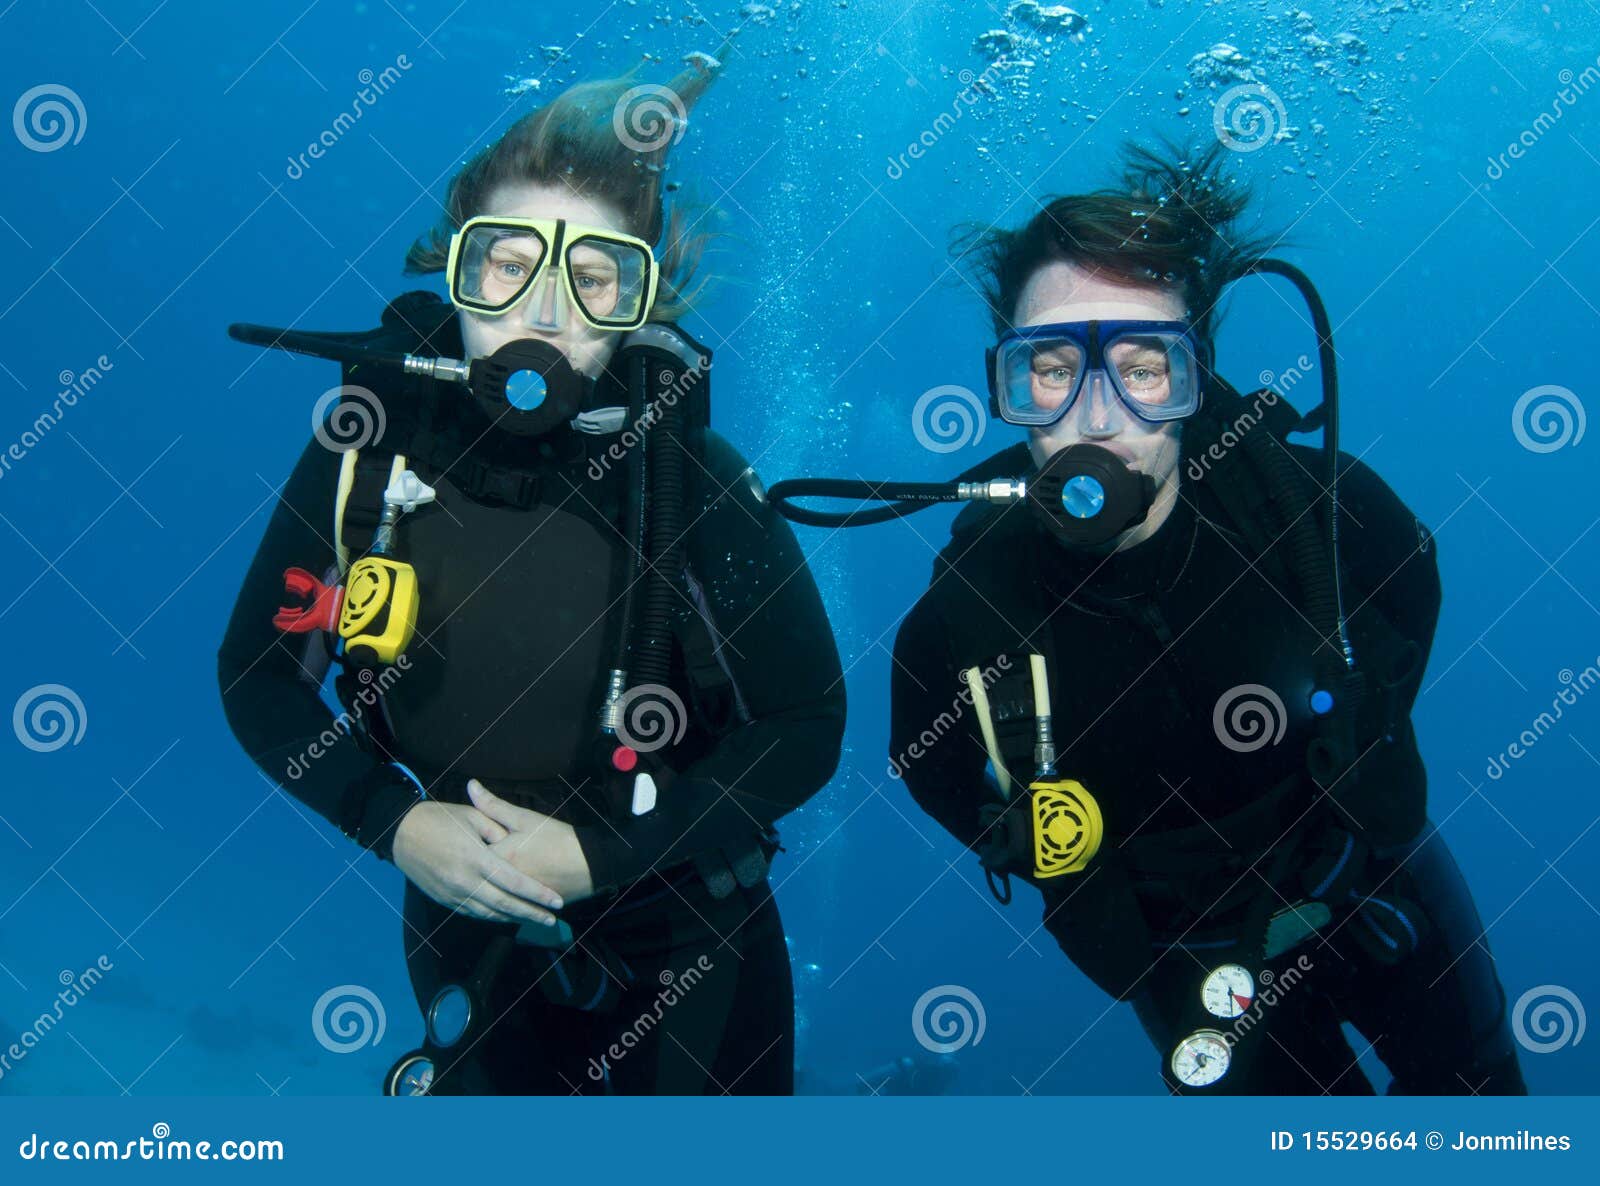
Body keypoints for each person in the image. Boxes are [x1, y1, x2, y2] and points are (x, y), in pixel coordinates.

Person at [218, 54, 844, 1095]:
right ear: (454, 271)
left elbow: (806, 723)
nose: (542, 312)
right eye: (505, 264)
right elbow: (259, 677)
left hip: (689, 934)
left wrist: (605, 856)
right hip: (464, 919)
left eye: (591, 278)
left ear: (637, 303)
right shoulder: (367, 447)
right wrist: (391, 822)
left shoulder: (690, 480)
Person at [886, 143, 1525, 1094]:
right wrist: (1022, 840)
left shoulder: (1310, 508)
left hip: (1370, 876)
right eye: (1051, 369)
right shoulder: (963, 618)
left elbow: (1411, 579)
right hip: (1182, 959)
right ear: (1007, 390)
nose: (1097, 417)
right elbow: (923, 761)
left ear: (1195, 378)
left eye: (1144, 368)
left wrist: (1372, 723)